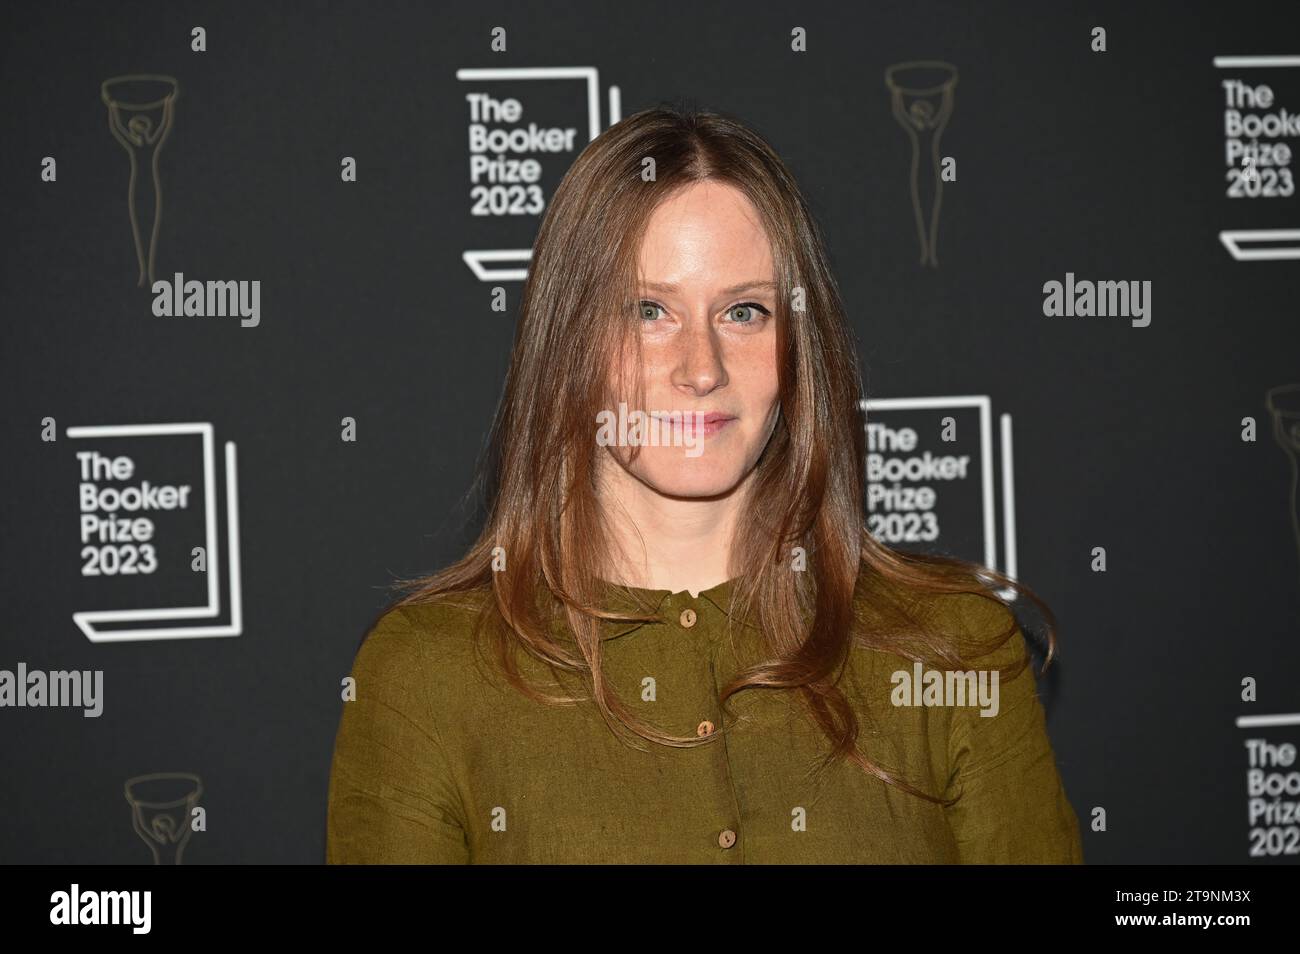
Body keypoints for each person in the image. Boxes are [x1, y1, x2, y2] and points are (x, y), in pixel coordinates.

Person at [326, 102, 1084, 864]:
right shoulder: (425, 675)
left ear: (799, 345)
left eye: (744, 312)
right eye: (649, 311)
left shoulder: (953, 649)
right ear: (567, 340)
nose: (701, 368)